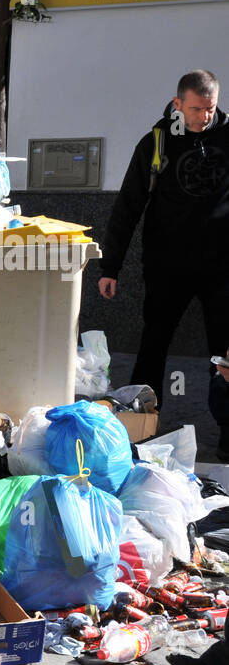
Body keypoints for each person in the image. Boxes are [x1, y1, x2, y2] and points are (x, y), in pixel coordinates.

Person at [97, 69, 229, 457]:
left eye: (211, 108)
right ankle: (140, 426)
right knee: (153, 345)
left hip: (221, 268)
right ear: (178, 104)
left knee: (224, 355)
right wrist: (111, 267)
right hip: (167, 265)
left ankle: (227, 434)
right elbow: (128, 206)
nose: (205, 116)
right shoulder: (156, 142)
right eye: (196, 109)